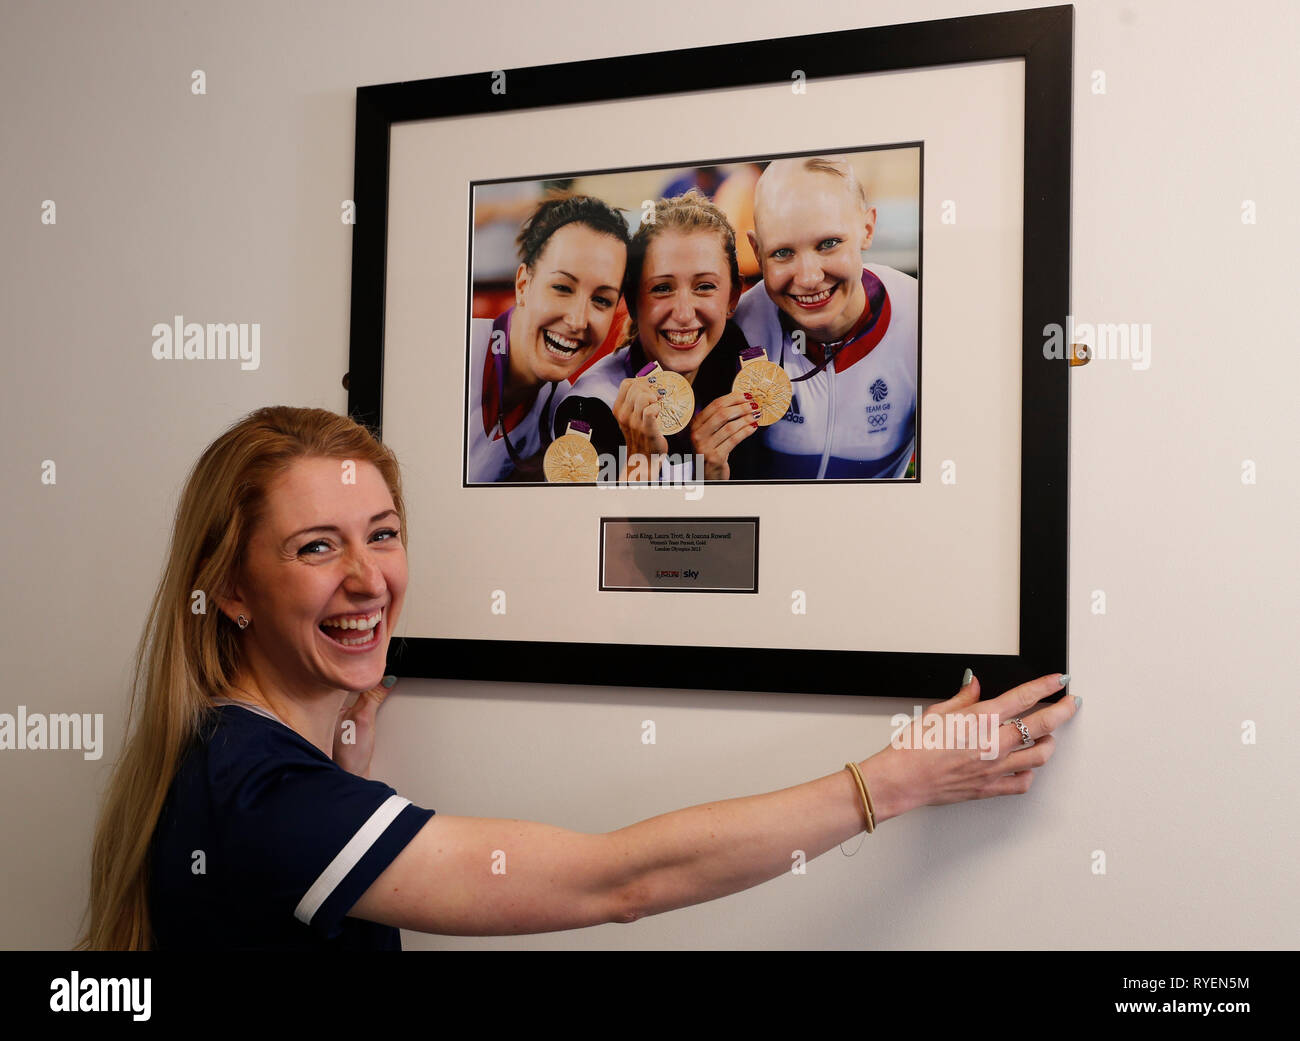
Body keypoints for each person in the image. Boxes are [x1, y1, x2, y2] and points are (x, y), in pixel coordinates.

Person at [78, 405, 1079, 950]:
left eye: (383, 535)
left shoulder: (231, 752)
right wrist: (898, 781)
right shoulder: (266, 797)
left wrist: (344, 748)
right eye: (313, 548)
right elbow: (621, 884)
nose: (367, 578)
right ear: (234, 592)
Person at [553, 191, 762, 482]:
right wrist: (643, 465)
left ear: (732, 297)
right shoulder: (590, 409)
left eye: (704, 286)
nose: (684, 313)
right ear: (633, 301)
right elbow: (591, 525)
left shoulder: (739, 370)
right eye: (662, 288)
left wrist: (716, 478)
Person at [733, 156, 917, 479]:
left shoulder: (920, 323)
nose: (807, 277)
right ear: (757, 251)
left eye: (828, 244)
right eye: (782, 252)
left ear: (867, 228)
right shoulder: (739, 329)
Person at [467, 195, 630, 483]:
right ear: (523, 285)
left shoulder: (560, 411)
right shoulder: (458, 356)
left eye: (602, 300)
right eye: (562, 288)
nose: (578, 320)